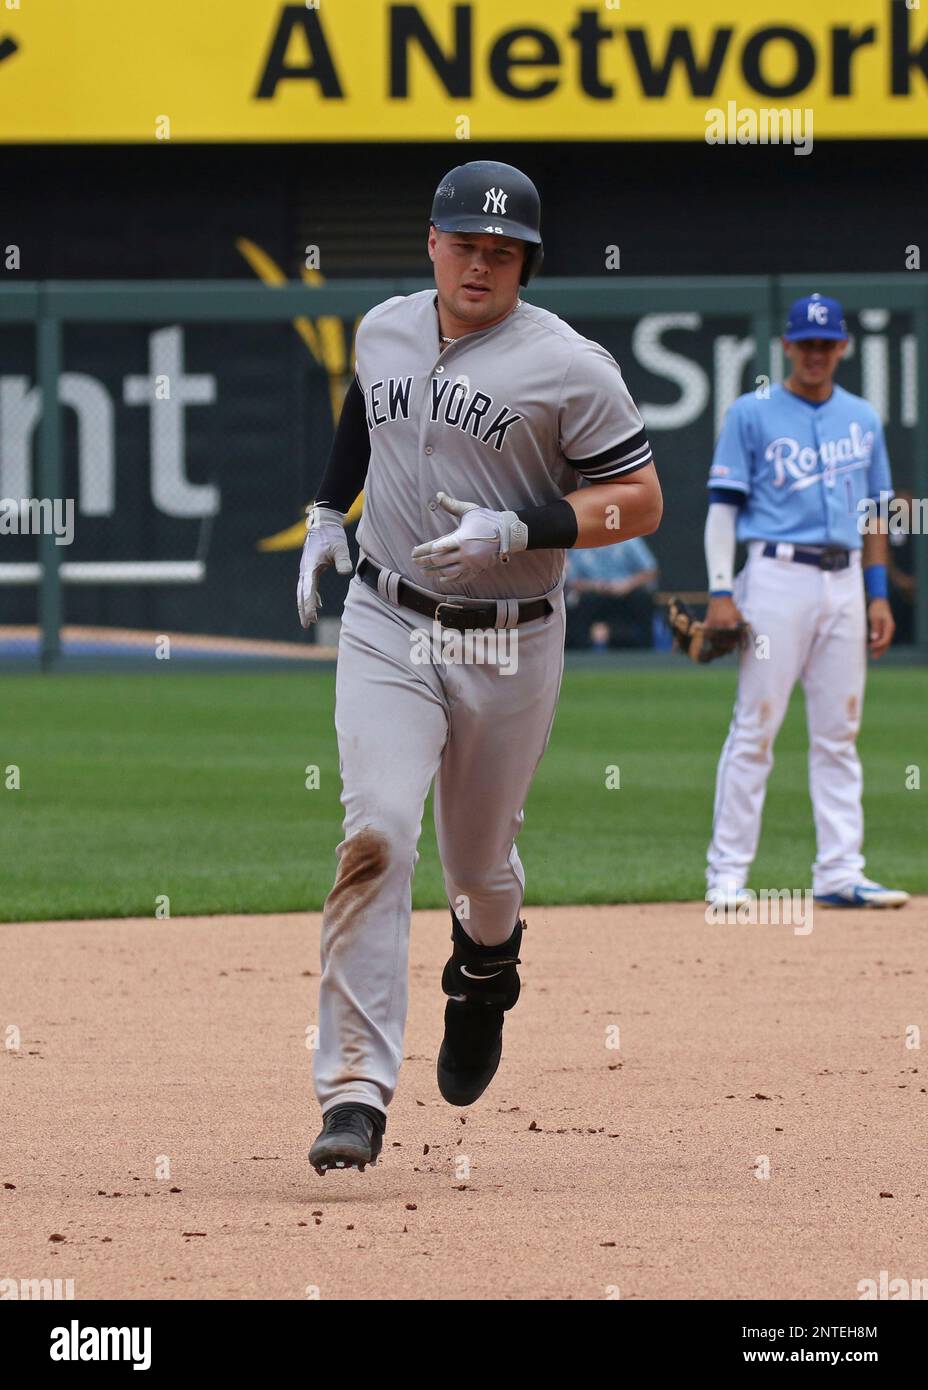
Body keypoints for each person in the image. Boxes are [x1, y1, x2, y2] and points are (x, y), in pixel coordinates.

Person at [296, 160, 662, 1174]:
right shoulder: (383, 326)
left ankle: (486, 968)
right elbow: (370, 412)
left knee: (477, 871)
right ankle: (355, 1091)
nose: (480, 264)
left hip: (509, 632)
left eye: (502, 253)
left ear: (525, 264)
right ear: (430, 240)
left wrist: (527, 523)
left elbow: (638, 501)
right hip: (385, 619)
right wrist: (331, 508)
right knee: (374, 831)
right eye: (465, 243)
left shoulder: (568, 366)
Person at [703, 292, 909, 912]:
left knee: (839, 733)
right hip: (775, 575)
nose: (816, 353)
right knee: (755, 728)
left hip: (845, 580)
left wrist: (878, 594)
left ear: (842, 346)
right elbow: (722, 509)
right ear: (787, 346)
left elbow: (874, 514)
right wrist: (720, 589)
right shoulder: (751, 412)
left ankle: (841, 871)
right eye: (806, 343)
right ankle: (728, 877)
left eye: (827, 343)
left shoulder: (862, 418)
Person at [565, 534, 658, 648]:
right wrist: (595, 586)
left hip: (625, 594)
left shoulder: (629, 539)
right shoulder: (582, 542)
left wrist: (627, 584)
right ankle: (580, 652)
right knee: (577, 601)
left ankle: (645, 651)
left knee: (642, 597)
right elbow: (571, 580)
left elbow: (651, 571)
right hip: (594, 596)